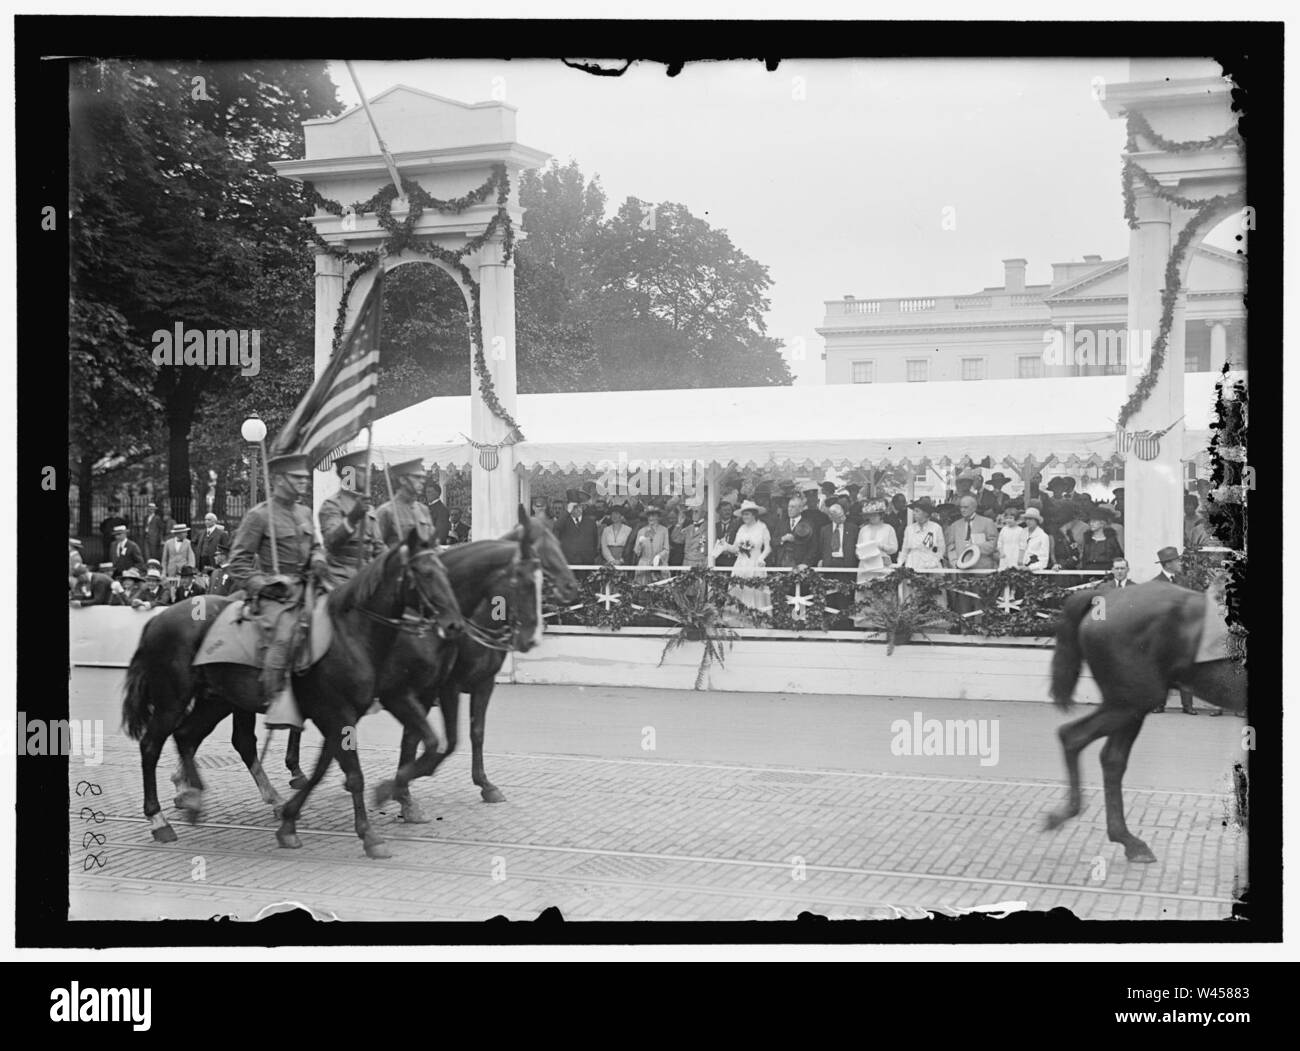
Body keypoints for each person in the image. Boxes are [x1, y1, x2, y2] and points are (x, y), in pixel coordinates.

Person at [225, 452, 330, 730]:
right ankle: (278, 699)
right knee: (286, 634)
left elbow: (316, 546)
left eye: (306, 478)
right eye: (298, 478)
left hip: (308, 588)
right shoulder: (259, 516)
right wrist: (264, 585)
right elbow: (237, 562)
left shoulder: (305, 512)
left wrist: (318, 558)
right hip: (277, 596)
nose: (305, 482)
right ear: (279, 480)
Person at [318, 450, 383, 586]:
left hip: (367, 574)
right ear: (347, 473)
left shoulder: (369, 509)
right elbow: (331, 542)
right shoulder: (332, 505)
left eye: (368, 470)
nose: (368, 475)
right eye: (362, 470)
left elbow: (378, 547)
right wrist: (353, 517)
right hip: (339, 576)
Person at [1151, 547, 1198, 715]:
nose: (1179, 563)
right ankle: (1159, 704)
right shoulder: (1156, 583)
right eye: (1177, 561)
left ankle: (1188, 705)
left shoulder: (1184, 580)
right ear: (1168, 564)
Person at [721, 500, 771, 612]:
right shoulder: (741, 528)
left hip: (755, 563)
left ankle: (757, 620)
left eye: (747, 514)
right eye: (743, 514)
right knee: (739, 591)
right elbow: (735, 548)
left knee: (755, 591)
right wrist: (725, 545)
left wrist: (762, 558)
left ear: (754, 514)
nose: (745, 516)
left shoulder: (762, 527)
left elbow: (768, 547)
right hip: (740, 564)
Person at [376, 458, 435, 546]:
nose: (422, 481)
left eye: (423, 478)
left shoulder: (423, 510)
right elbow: (377, 547)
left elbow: (433, 544)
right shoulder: (386, 511)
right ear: (403, 480)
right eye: (417, 477)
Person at [855, 498, 899, 583]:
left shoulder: (888, 528)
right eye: (870, 515)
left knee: (881, 591)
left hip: (882, 565)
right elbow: (857, 549)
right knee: (865, 590)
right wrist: (860, 553)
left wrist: (881, 546)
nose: (872, 517)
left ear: (881, 515)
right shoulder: (863, 529)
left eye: (875, 515)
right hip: (866, 566)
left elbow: (894, 549)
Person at [898, 497, 945, 571]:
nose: (914, 513)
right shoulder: (909, 529)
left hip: (931, 565)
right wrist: (900, 564)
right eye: (914, 511)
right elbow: (904, 550)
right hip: (912, 564)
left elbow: (941, 549)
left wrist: (934, 562)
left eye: (917, 511)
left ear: (925, 513)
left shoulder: (936, 528)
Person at [556, 490, 600, 565]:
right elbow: (556, 529)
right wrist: (567, 512)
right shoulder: (563, 521)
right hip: (568, 562)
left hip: (586, 563)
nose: (577, 509)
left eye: (579, 506)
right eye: (574, 507)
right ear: (569, 508)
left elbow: (595, 541)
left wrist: (591, 556)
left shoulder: (590, 522)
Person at [777, 493, 819, 569]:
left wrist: (805, 563)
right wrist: (782, 539)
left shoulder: (809, 524)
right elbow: (773, 541)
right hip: (781, 565)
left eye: (792, 507)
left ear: (800, 509)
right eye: (789, 506)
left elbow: (814, 546)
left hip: (800, 566)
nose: (789, 509)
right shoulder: (781, 523)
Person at [633, 505, 671, 580]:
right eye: (649, 515)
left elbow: (666, 549)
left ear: (658, 517)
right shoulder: (641, 531)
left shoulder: (664, 530)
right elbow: (636, 552)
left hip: (659, 564)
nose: (651, 518)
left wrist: (659, 556)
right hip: (644, 565)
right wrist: (640, 544)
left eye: (653, 515)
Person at [713, 500, 739, 567]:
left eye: (729, 510)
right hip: (717, 562)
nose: (727, 512)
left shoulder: (736, 525)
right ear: (719, 512)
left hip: (732, 561)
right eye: (725, 510)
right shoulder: (715, 526)